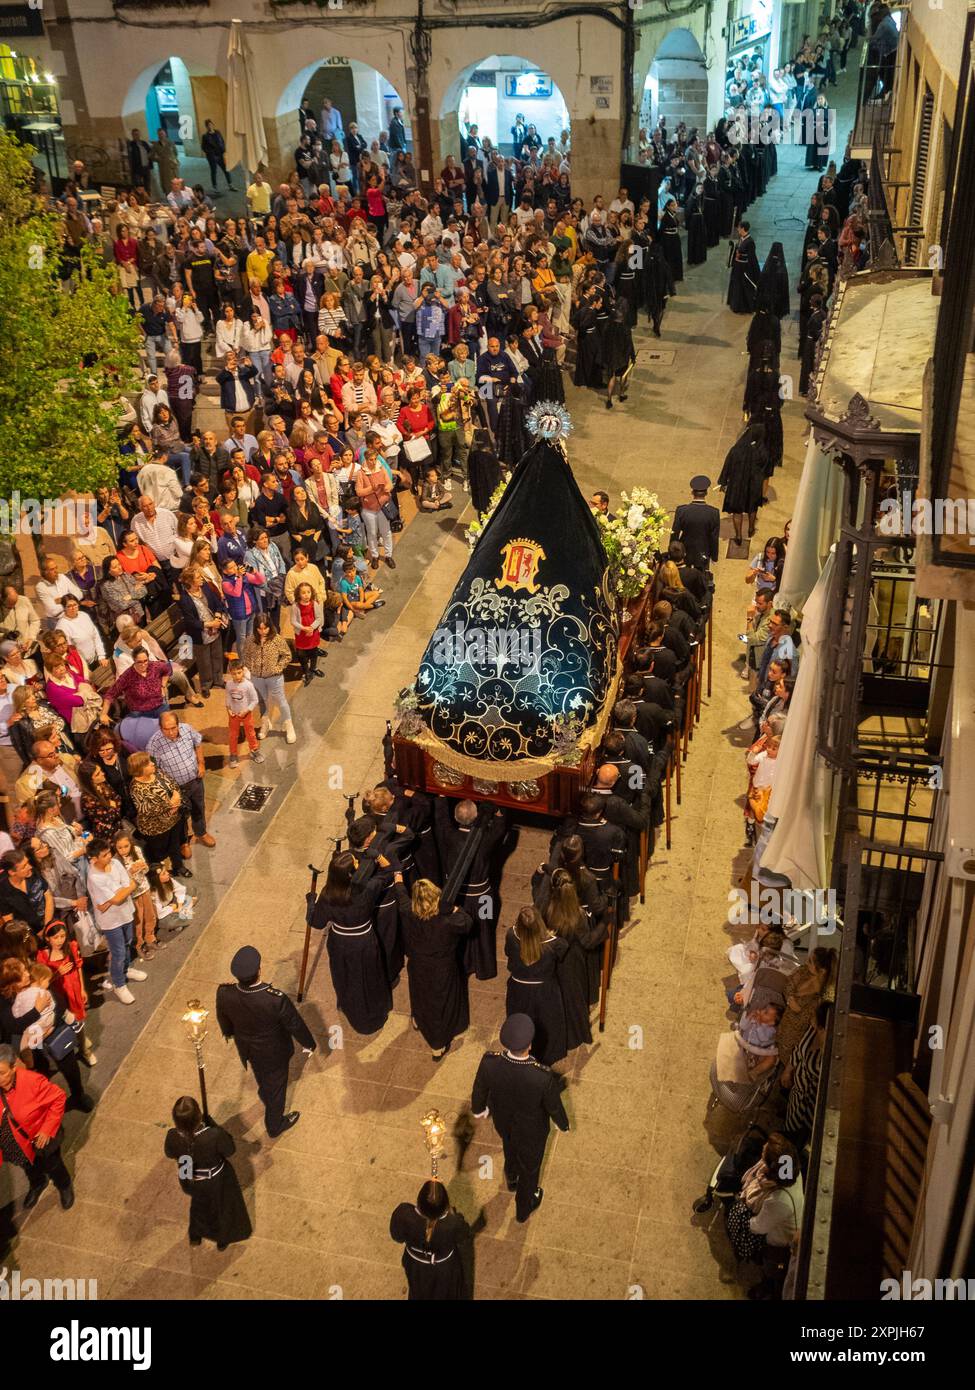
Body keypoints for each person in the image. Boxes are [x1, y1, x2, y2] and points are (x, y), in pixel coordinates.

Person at [470, 1012, 569, 1223]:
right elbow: (553, 1106)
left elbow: (480, 1087)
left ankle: (512, 1177)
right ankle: (524, 1207)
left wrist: (479, 1109)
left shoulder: (489, 1062)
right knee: (531, 1168)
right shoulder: (541, 1076)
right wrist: (563, 1124)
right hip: (532, 1131)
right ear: (530, 1045)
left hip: (503, 1121)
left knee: (509, 1145)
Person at [215, 944, 316, 1137]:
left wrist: (228, 1033)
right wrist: (309, 1043)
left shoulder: (224, 993)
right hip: (274, 1052)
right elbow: (294, 1024)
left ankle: (265, 1092)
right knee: (277, 1087)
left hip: (247, 1048)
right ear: (259, 971)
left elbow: (224, 1017)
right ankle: (275, 1124)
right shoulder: (275, 999)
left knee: (260, 1073)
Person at [312, 850, 394, 1035]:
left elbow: (316, 922)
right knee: (368, 977)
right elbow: (388, 872)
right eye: (356, 865)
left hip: (339, 942)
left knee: (346, 977)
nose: (359, 866)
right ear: (349, 874)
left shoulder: (327, 895)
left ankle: (351, 1009)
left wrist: (312, 904)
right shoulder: (365, 889)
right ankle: (374, 1014)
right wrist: (378, 856)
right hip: (363, 941)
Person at [392, 873, 470, 1061]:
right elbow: (468, 923)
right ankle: (437, 1043)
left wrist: (398, 878)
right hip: (442, 968)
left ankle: (418, 1019)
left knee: (419, 994)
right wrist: (454, 908)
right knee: (440, 1003)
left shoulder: (407, 911)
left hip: (417, 964)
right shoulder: (446, 921)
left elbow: (400, 893)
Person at [165, 1095, 252, 1250]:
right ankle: (222, 1238)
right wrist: (214, 1127)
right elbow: (229, 1150)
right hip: (215, 1179)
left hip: (188, 1176)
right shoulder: (213, 1135)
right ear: (198, 1117)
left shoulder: (172, 1135)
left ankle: (196, 1235)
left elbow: (170, 1153)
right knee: (222, 1209)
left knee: (198, 1205)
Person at [0, 1043, 75, 1211]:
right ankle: (38, 1183)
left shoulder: (32, 1081)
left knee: (53, 1165)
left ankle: (63, 1185)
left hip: (39, 1139)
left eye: (1, 1073)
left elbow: (58, 1098)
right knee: (27, 1166)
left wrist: (47, 1129)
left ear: (13, 1068)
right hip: (13, 1142)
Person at [85, 837, 149, 1005]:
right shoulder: (94, 877)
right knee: (118, 952)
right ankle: (118, 983)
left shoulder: (116, 863)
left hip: (126, 913)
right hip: (111, 921)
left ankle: (126, 970)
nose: (109, 856)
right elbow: (117, 898)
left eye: (109, 852)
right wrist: (126, 889)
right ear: (94, 858)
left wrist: (125, 889)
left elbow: (126, 886)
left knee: (128, 942)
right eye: (105, 855)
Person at [504, 906, 569, 1067]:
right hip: (545, 991)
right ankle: (547, 1055)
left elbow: (507, 952)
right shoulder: (554, 944)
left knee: (521, 1020)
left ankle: (522, 1050)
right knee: (548, 1023)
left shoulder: (512, 935)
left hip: (518, 989)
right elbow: (563, 953)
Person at [388, 1180, 471, 1300]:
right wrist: (453, 1215)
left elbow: (397, 1237)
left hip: (415, 1265)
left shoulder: (403, 1214)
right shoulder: (453, 1223)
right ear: (445, 1205)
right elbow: (463, 1236)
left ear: (419, 1201)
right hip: (445, 1269)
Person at [147, 712, 217, 851]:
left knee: (198, 807)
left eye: (174, 728)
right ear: (160, 728)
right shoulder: (154, 744)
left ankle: (201, 832)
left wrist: (201, 763)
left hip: (195, 780)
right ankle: (183, 842)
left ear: (178, 725)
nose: (171, 732)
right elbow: (154, 769)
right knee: (180, 816)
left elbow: (198, 743)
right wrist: (168, 790)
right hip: (176, 788)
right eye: (166, 729)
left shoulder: (187, 729)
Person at [241, 615, 296, 744]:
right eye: (259, 629)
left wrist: (277, 668)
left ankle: (289, 726)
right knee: (261, 701)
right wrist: (251, 668)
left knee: (281, 701)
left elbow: (287, 655)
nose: (263, 631)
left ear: (269, 627)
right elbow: (246, 655)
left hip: (274, 677)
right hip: (257, 677)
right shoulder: (250, 640)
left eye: (265, 628)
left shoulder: (277, 639)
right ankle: (265, 723)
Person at [670, 475, 721, 573]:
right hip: (703, 550)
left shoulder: (682, 511)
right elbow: (714, 537)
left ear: (692, 492)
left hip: (684, 550)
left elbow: (674, 533)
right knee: (701, 578)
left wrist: (672, 553)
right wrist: (714, 556)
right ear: (706, 493)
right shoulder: (713, 513)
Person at [225, 660, 264, 769]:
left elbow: (254, 700)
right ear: (230, 673)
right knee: (233, 735)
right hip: (233, 715)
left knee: (250, 733)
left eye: (239, 672)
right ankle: (233, 754)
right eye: (234, 673)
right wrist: (228, 709)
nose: (237, 676)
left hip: (246, 715)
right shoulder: (229, 684)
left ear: (243, 671)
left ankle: (254, 750)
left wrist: (246, 710)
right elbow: (228, 697)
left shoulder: (248, 685)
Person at [727, 220, 760, 314]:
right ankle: (735, 305)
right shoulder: (741, 238)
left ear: (743, 229)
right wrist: (732, 247)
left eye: (739, 227)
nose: (737, 229)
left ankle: (743, 307)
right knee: (736, 286)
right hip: (737, 267)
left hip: (743, 268)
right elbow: (738, 250)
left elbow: (751, 257)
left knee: (742, 287)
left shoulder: (750, 242)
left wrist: (751, 271)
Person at [201, 120, 235, 193]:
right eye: (208, 125)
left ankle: (230, 184)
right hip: (212, 157)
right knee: (214, 171)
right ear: (206, 127)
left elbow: (222, 141)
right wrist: (210, 153)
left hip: (220, 155)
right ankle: (215, 187)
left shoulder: (218, 132)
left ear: (213, 124)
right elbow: (203, 147)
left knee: (226, 170)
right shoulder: (205, 136)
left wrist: (224, 150)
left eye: (211, 124)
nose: (210, 126)